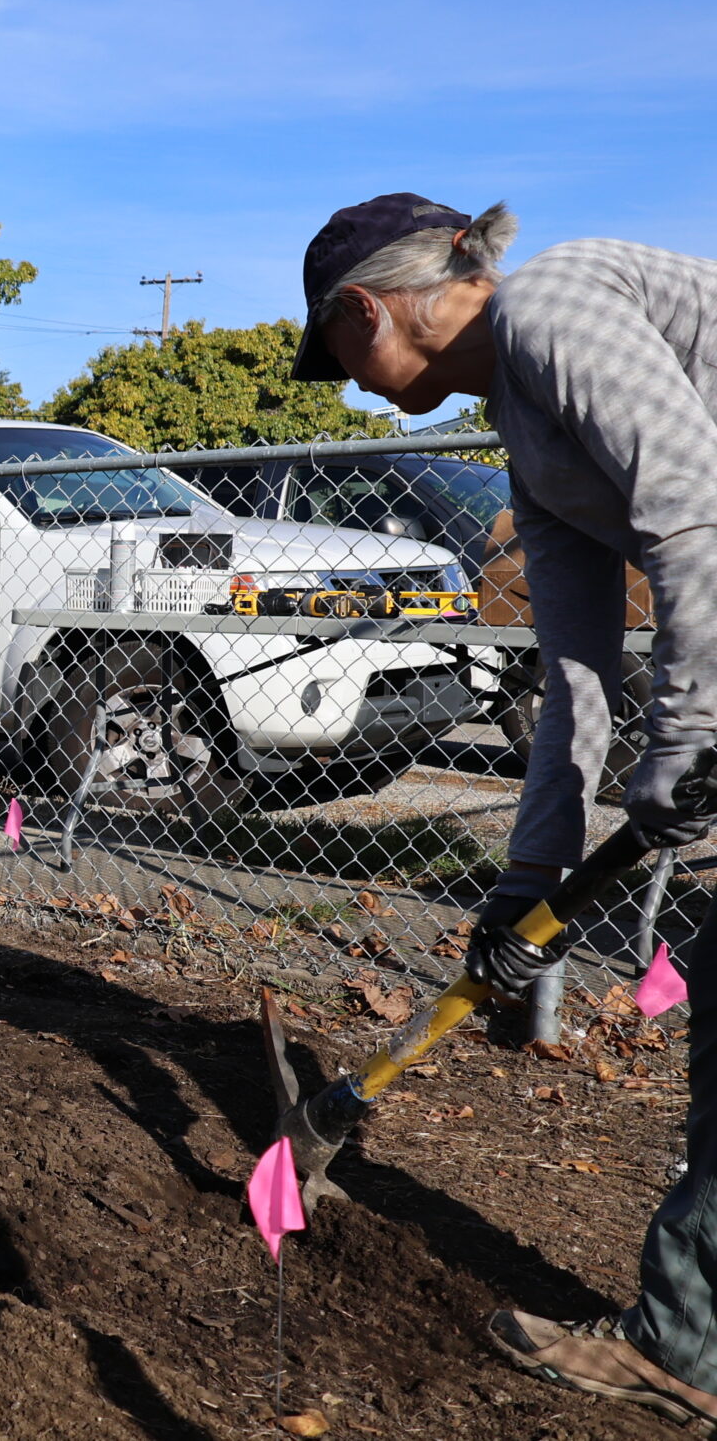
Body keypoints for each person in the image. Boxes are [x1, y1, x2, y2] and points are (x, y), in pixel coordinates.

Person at [291, 193, 717, 1426]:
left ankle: (687, 1348)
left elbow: (695, 516)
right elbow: (575, 669)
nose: (355, 388)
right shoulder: (522, 432)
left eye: (340, 356)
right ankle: (691, 1340)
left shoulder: (556, 306)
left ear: (366, 309)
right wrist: (527, 880)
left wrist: (690, 738)